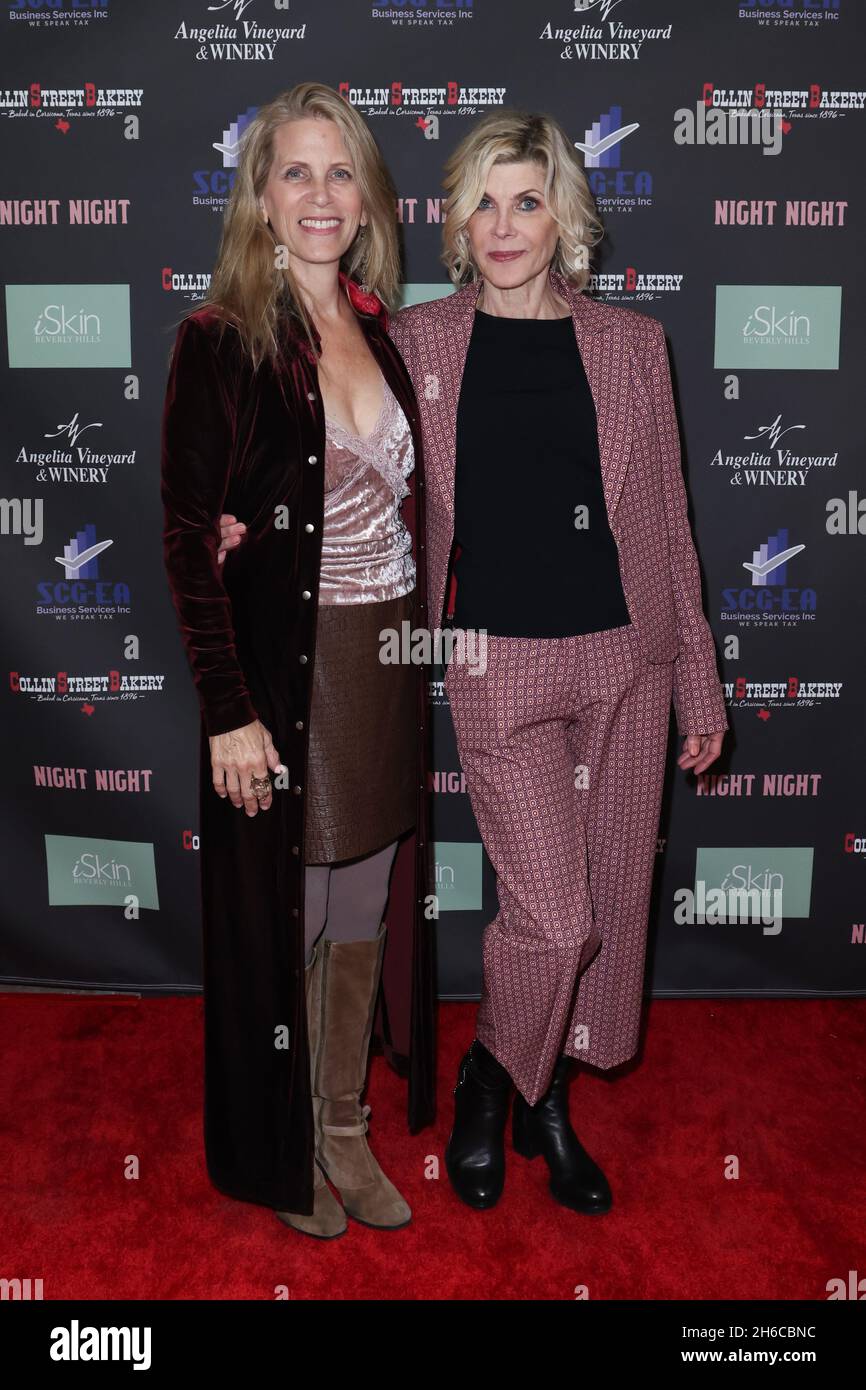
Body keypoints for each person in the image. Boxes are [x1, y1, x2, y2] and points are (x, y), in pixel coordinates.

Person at [387, 109, 728, 1214]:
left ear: (561, 215)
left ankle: (536, 1099)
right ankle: (491, 1072)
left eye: (525, 199)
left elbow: (670, 525)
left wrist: (697, 682)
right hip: (494, 662)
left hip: (625, 659)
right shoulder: (417, 344)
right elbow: (347, 474)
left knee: (608, 904)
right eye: (481, 200)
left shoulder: (633, 346)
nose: (502, 224)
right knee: (554, 915)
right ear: (455, 219)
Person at [160, 83, 434, 1240]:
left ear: (365, 196)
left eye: (339, 172)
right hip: (285, 667)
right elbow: (186, 531)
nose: (319, 196)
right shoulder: (221, 337)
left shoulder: (381, 328)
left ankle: (340, 1125)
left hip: (384, 659)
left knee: (365, 892)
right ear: (259, 199)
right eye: (295, 173)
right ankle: (284, 1140)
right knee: (299, 901)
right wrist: (227, 708)